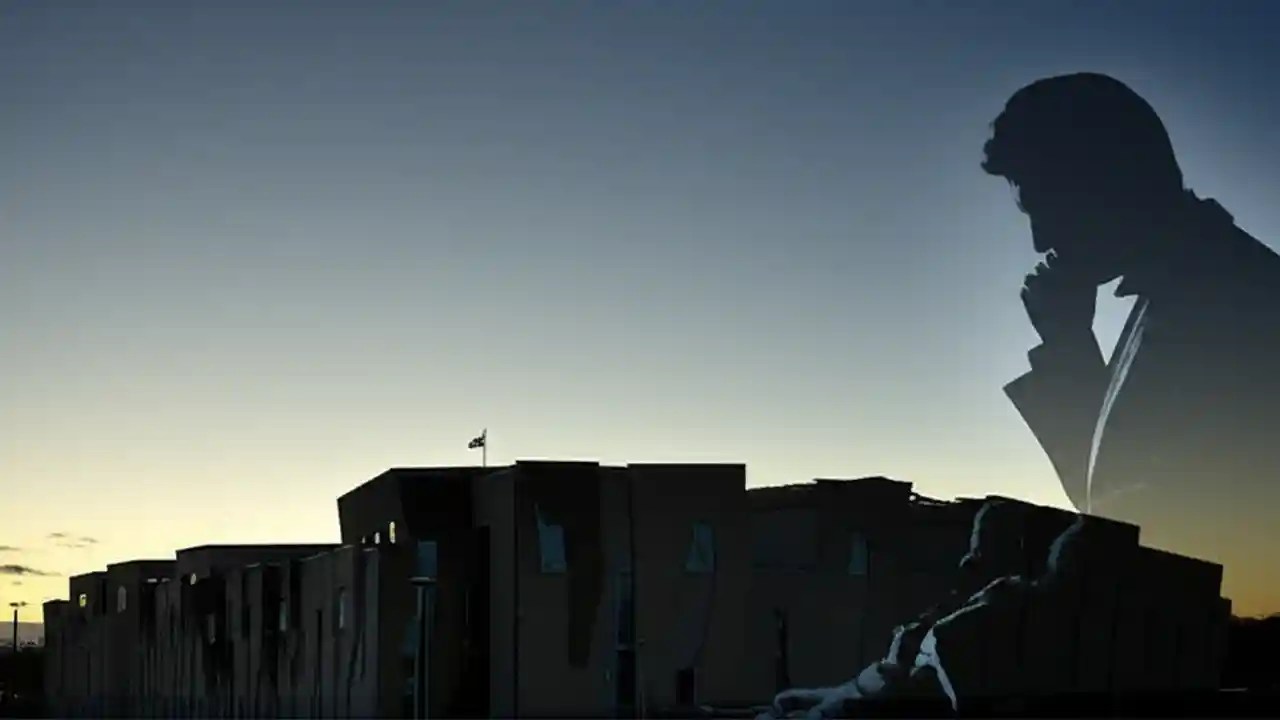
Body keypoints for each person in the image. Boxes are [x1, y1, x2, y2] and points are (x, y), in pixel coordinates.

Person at [986, 72, 1280, 615]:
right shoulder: (1185, 290)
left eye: (1046, 208)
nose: (1041, 240)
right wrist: (1069, 340)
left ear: (1110, 183)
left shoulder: (1233, 302)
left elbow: (1145, 536)